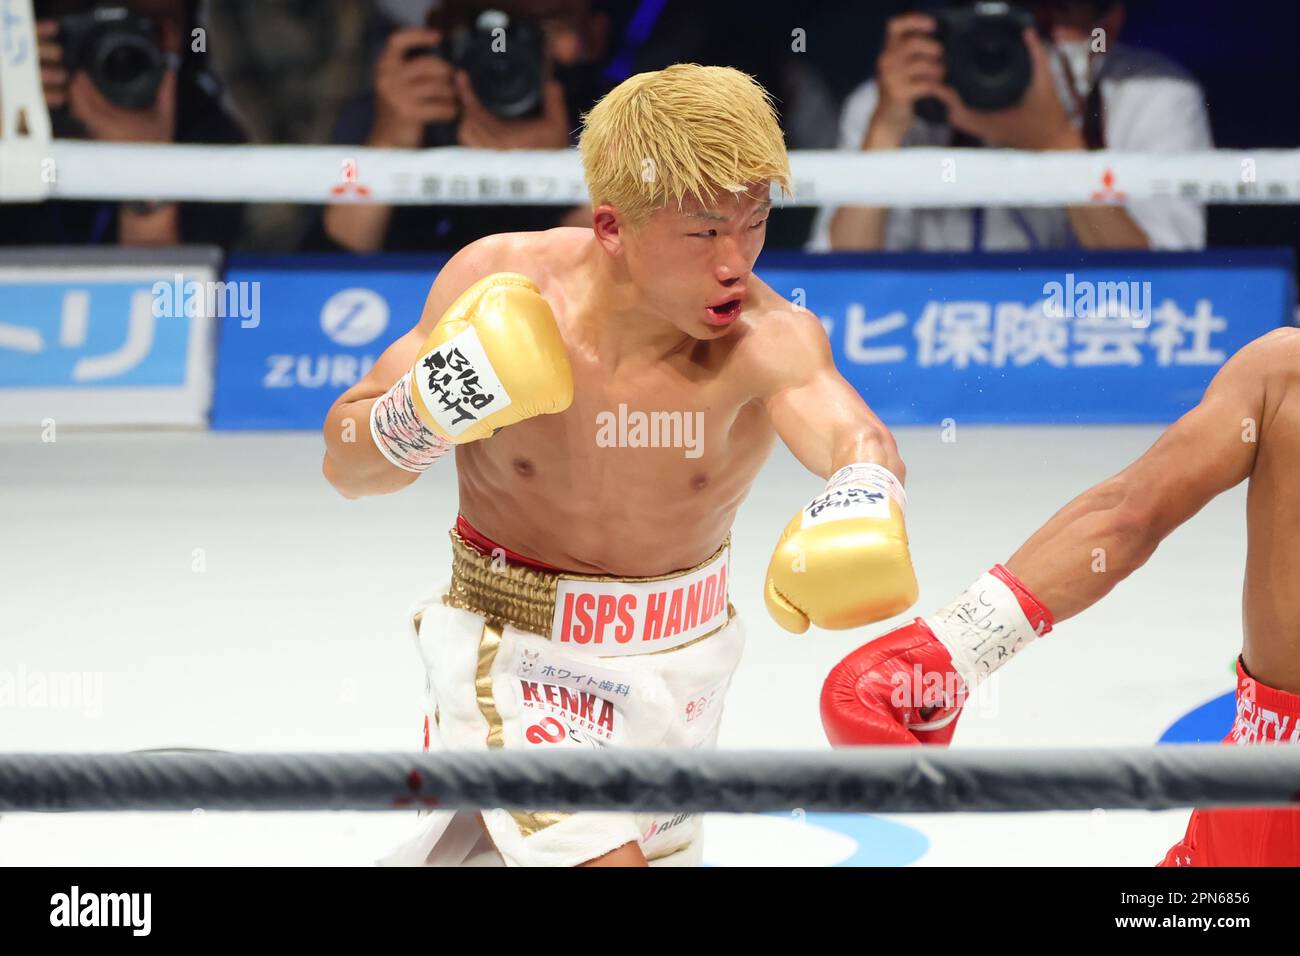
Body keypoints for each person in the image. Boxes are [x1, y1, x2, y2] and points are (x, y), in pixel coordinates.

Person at [322, 63, 919, 867]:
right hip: (513, 645)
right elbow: (347, 465)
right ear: (612, 228)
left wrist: (863, 491)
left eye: (754, 224)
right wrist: (425, 409)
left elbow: (858, 439)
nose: (735, 262)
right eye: (705, 232)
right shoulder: (503, 284)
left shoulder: (769, 340)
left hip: (686, 663)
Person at [821, 326, 1300, 866]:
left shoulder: (1284, 371)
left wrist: (951, 650)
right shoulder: (1281, 373)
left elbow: (1128, 517)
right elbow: (1128, 516)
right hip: (1265, 775)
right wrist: (954, 646)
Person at [809, 0, 1211, 252]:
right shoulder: (896, 97)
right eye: (1010, 15)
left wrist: (1057, 145)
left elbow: (1165, 287)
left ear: (1109, 21)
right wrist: (886, 130)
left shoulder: (1153, 96)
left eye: (1052, 12)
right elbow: (843, 276)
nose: (1026, 40)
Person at [306, 0, 609, 254]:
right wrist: (388, 146)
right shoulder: (393, 112)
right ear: (440, 29)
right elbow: (313, 287)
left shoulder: (620, 118)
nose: (505, 49)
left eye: (544, 25)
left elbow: (631, 272)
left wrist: (561, 175)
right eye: (487, 28)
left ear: (595, 34)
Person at [0, 0, 246, 248]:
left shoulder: (215, 142)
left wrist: (148, 181)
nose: (119, 52)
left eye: (146, 27)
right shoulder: (12, 86)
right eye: (86, 21)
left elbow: (166, 285)